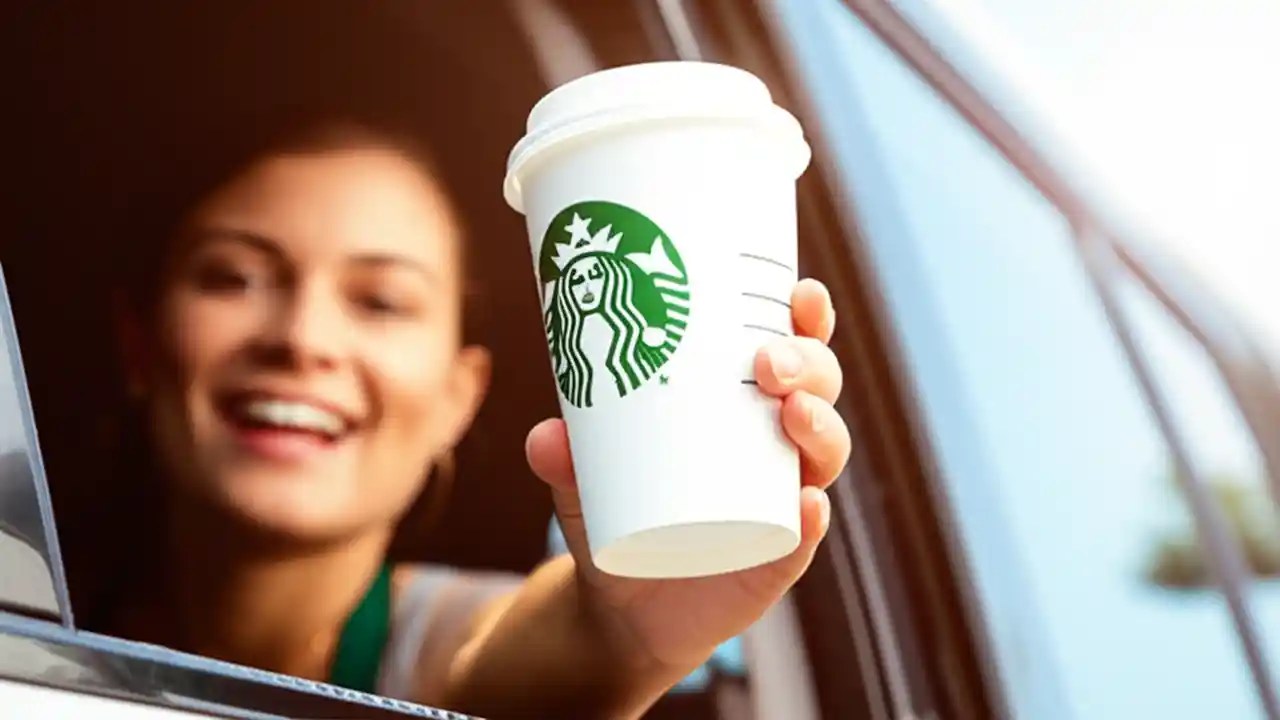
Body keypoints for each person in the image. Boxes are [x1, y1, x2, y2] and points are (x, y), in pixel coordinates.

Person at [100, 115, 850, 719]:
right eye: (234, 277)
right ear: (139, 347)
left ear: (461, 398)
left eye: (381, 301)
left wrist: (621, 642)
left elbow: (503, 668)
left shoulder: (444, 643)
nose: (302, 338)